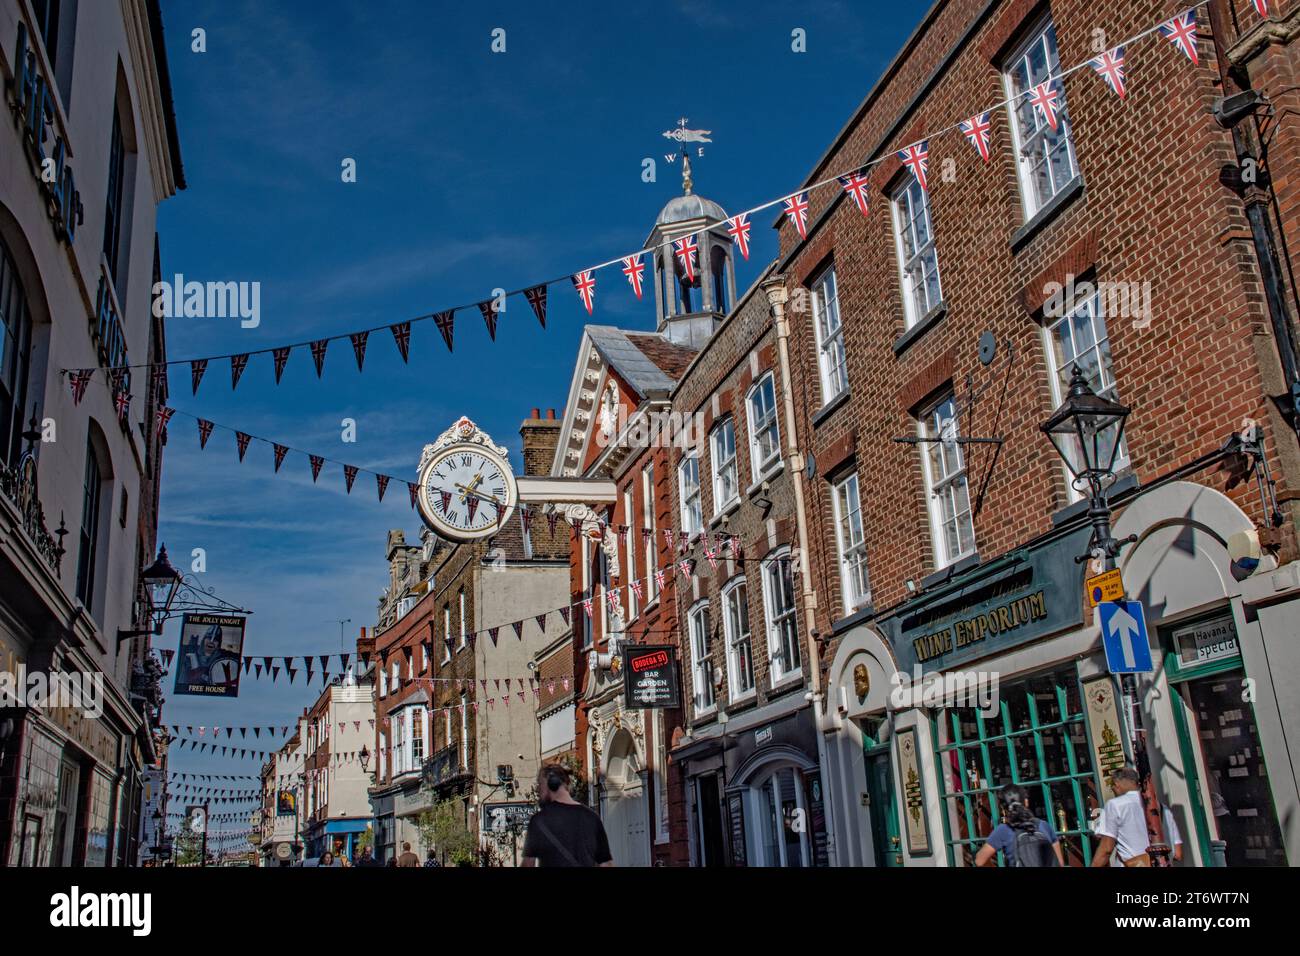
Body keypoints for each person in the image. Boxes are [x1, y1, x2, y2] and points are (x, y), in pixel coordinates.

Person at [521, 763, 613, 868]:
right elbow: (606, 864)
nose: (538, 790)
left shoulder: (539, 821)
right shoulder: (592, 818)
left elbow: (528, 864)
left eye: (540, 784)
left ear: (552, 784)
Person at [974, 785, 1063, 867]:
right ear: (1026, 802)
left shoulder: (1004, 830)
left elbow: (979, 861)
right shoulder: (1044, 825)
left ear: (1003, 808)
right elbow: (1059, 863)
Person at [1091, 766, 1152, 867]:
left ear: (1117, 784)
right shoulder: (1159, 806)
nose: (1113, 790)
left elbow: (1106, 849)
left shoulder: (1115, 805)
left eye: (1112, 787)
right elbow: (1178, 853)